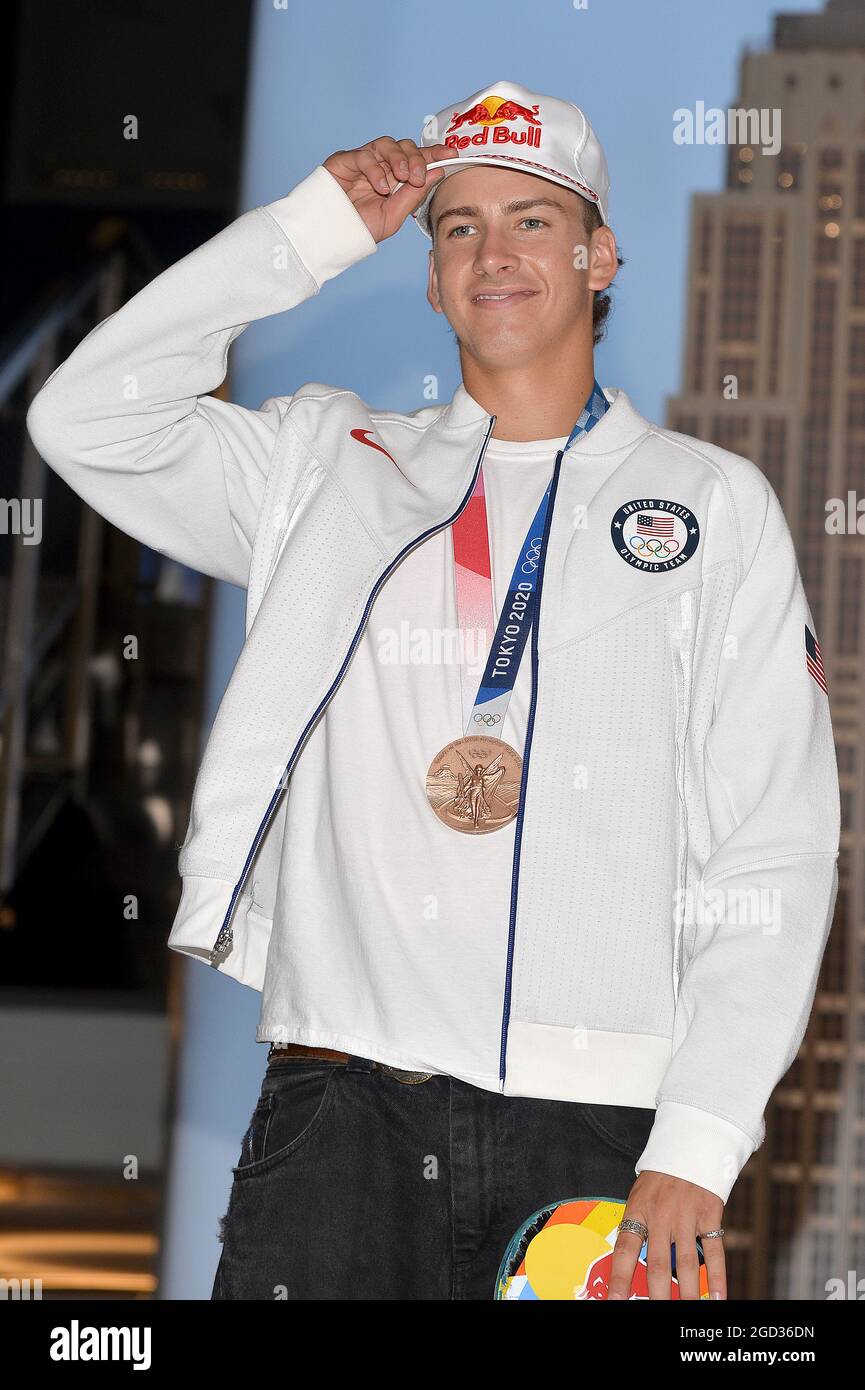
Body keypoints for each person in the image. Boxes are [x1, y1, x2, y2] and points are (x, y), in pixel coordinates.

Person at [26, 79, 840, 1301]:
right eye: (458, 227)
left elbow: (773, 844)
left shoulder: (709, 505)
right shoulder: (325, 465)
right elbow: (85, 416)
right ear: (427, 273)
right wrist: (308, 230)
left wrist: (701, 1137)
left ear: (598, 253)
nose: (492, 252)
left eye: (529, 219)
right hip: (337, 1114)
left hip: (599, 1126)